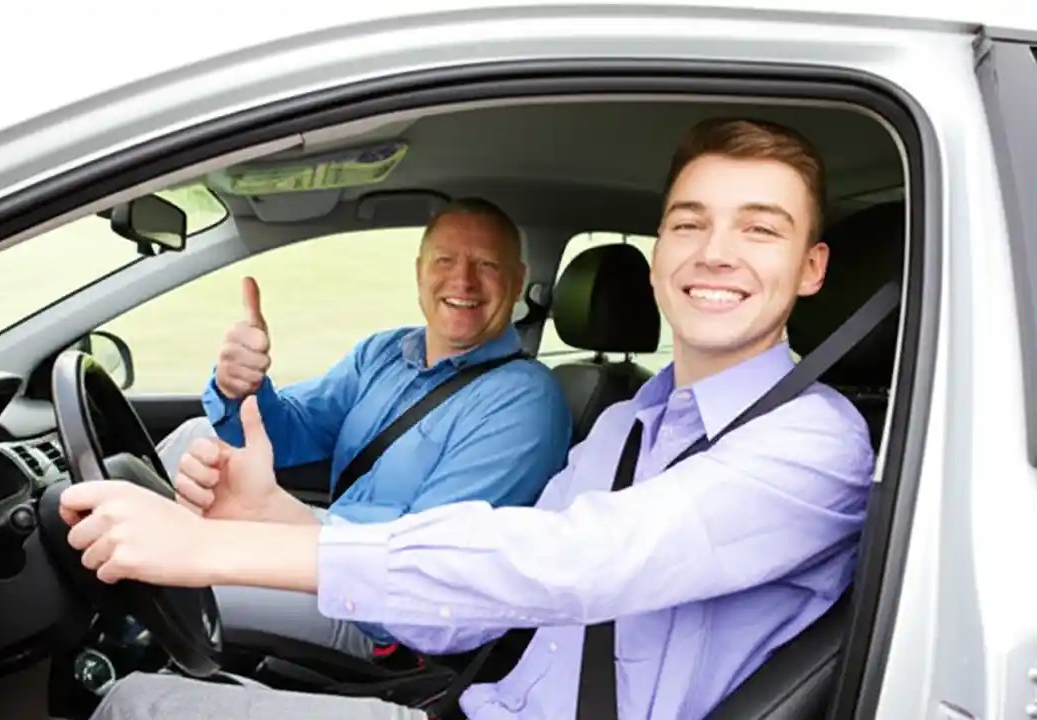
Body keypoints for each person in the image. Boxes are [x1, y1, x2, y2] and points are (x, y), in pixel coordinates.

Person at [61, 117, 876, 720]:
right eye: (690, 223)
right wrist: (272, 512)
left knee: (140, 708)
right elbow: (475, 619)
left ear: (811, 270)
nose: (716, 252)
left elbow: (569, 561)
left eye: (760, 229)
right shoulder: (630, 424)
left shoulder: (813, 439)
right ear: (660, 253)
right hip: (473, 702)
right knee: (141, 697)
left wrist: (216, 545)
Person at [156, 197, 573, 659]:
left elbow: (423, 571)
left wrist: (283, 523)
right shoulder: (386, 353)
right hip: (318, 554)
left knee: (165, 575)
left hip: (374, 615)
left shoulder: (525, 403)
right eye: (445, 260)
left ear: (516, 282)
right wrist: (241, 387)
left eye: (486, 265)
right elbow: (290, 432)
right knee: (198, 435)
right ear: (419, 273)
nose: (463, 280)